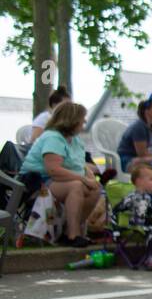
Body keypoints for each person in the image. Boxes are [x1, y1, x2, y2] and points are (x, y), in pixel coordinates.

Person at [19, 101, 103, 247]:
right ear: (72, 120)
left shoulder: (75, 140)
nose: (84, 121)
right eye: (82, 118)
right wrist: (83, 179)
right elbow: (54, 170)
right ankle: (73, 235)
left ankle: (69, 230)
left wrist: (90, 178)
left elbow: (80, 164)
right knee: (76, 186)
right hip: (38, 182)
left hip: (59, 180)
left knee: (95, 189)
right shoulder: (53, 137)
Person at [117, 95, 152, 172]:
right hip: (128, 160)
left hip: (142, 159)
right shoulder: (139, 127)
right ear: (147, 111)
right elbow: (142, 154)